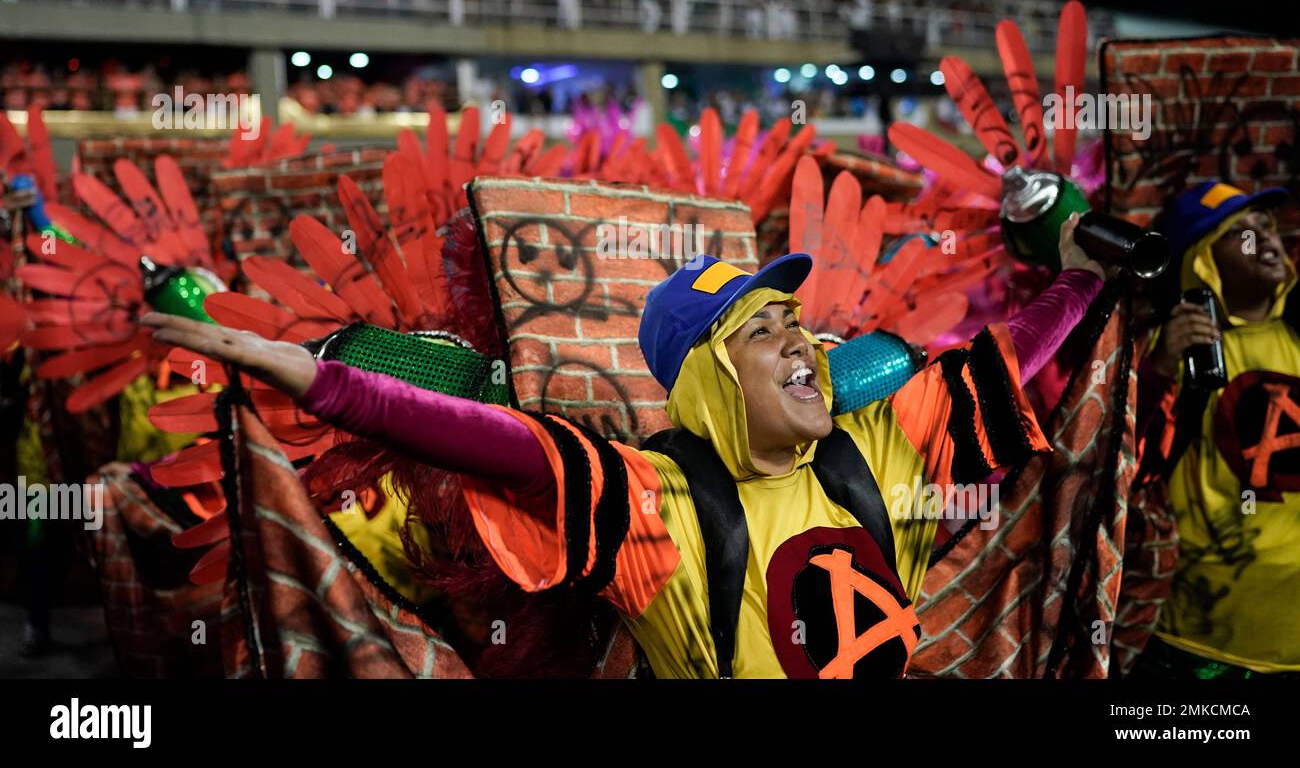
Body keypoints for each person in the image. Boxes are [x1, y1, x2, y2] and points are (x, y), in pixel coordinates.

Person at [144, 217, 1106, 679]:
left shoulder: (883, 440)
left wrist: (1078, 281)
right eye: (765, 332)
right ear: (707, 378)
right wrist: (322, 378)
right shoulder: (654, 504)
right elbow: (498, 443)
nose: (805, 345)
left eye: (799, 323)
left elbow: (1006, 361)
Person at [1132, 181, 1300, 677]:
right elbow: (1124, 462)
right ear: (1201, 260)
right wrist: (1161, 367)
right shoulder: (1175, 348)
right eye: (1241, 234)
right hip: (1201, 644)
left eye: (1266, 228)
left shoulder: (1296, 339)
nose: (1266, 240)